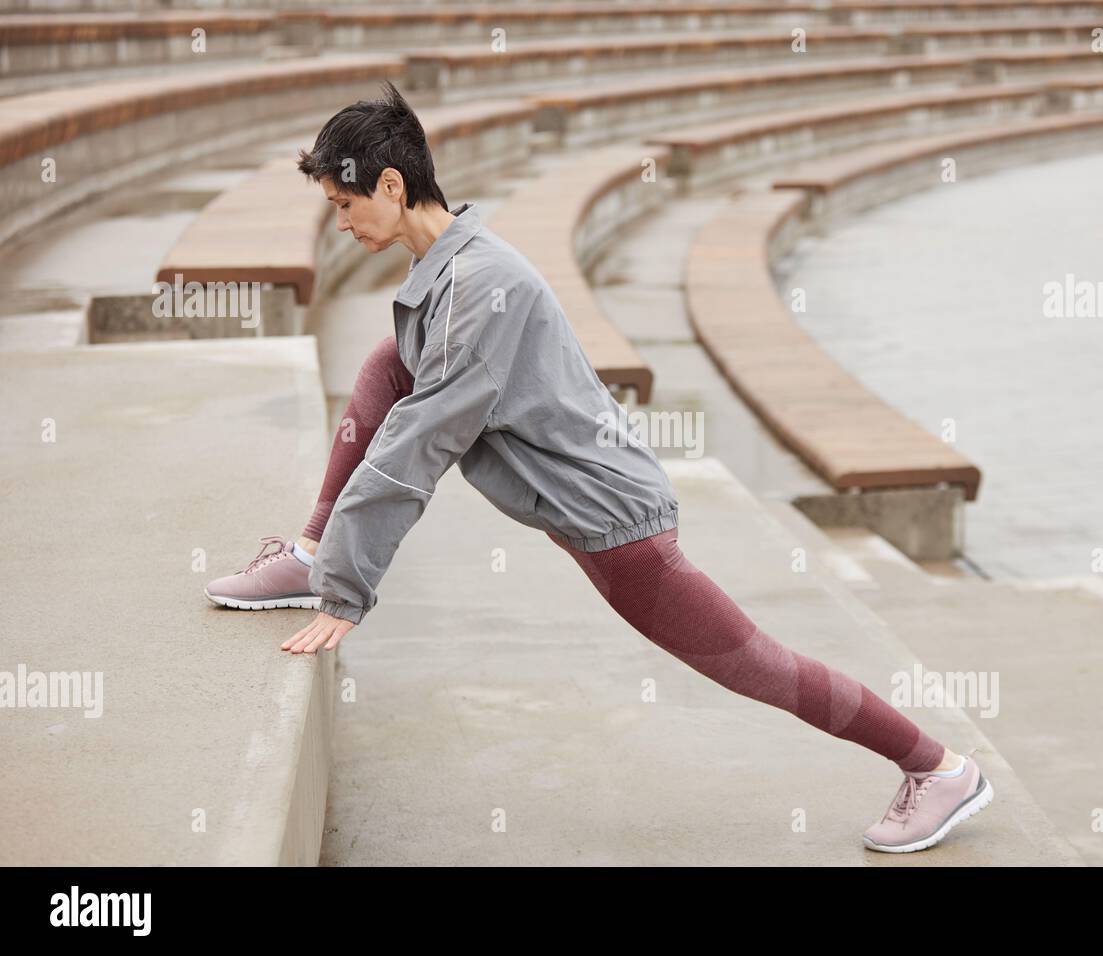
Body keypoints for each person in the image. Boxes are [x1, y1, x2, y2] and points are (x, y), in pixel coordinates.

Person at [202, 81, 993, 853]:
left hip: (619, 529)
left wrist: (350, 587)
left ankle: (938, 767)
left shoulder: (481, 288)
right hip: (598, 508)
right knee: (387, 361)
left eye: (344, 206)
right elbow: (403, 381)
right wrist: (327, 554)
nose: (339, 225)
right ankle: (305, 553)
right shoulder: (455, 264)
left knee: (756, 664)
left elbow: (420, 443)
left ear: (390, 184)